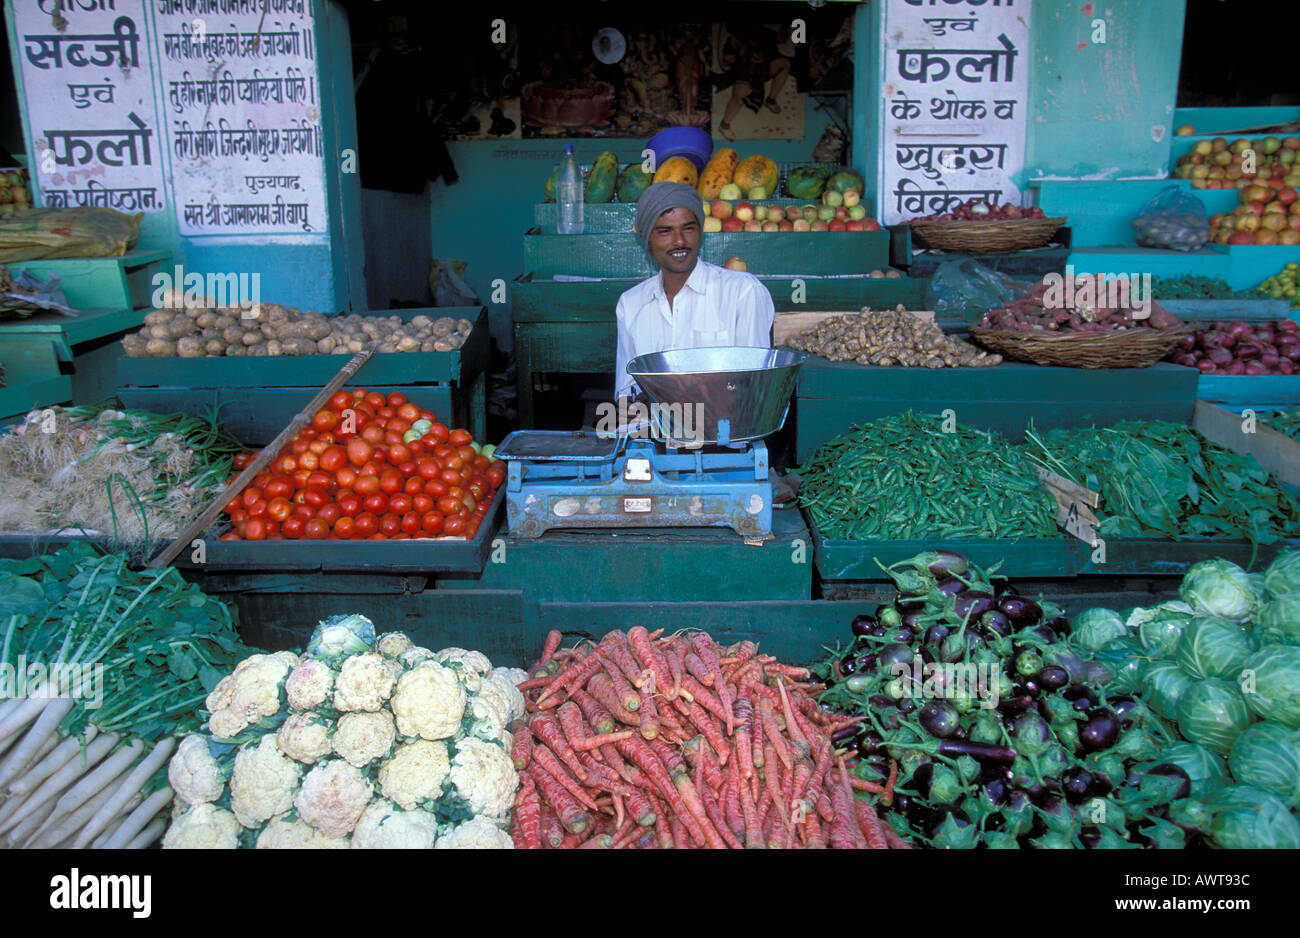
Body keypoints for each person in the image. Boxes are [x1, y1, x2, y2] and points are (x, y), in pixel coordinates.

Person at [614, 181, 775, 402]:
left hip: (726, 434)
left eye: (688, 228)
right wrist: (633, 408)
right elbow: (627, 389)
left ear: (700, 232)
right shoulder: (631, 304)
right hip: (653, 434)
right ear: (647, 241)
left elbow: (753, 386)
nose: (679, 241)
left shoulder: (742, 292)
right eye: (665, 231)